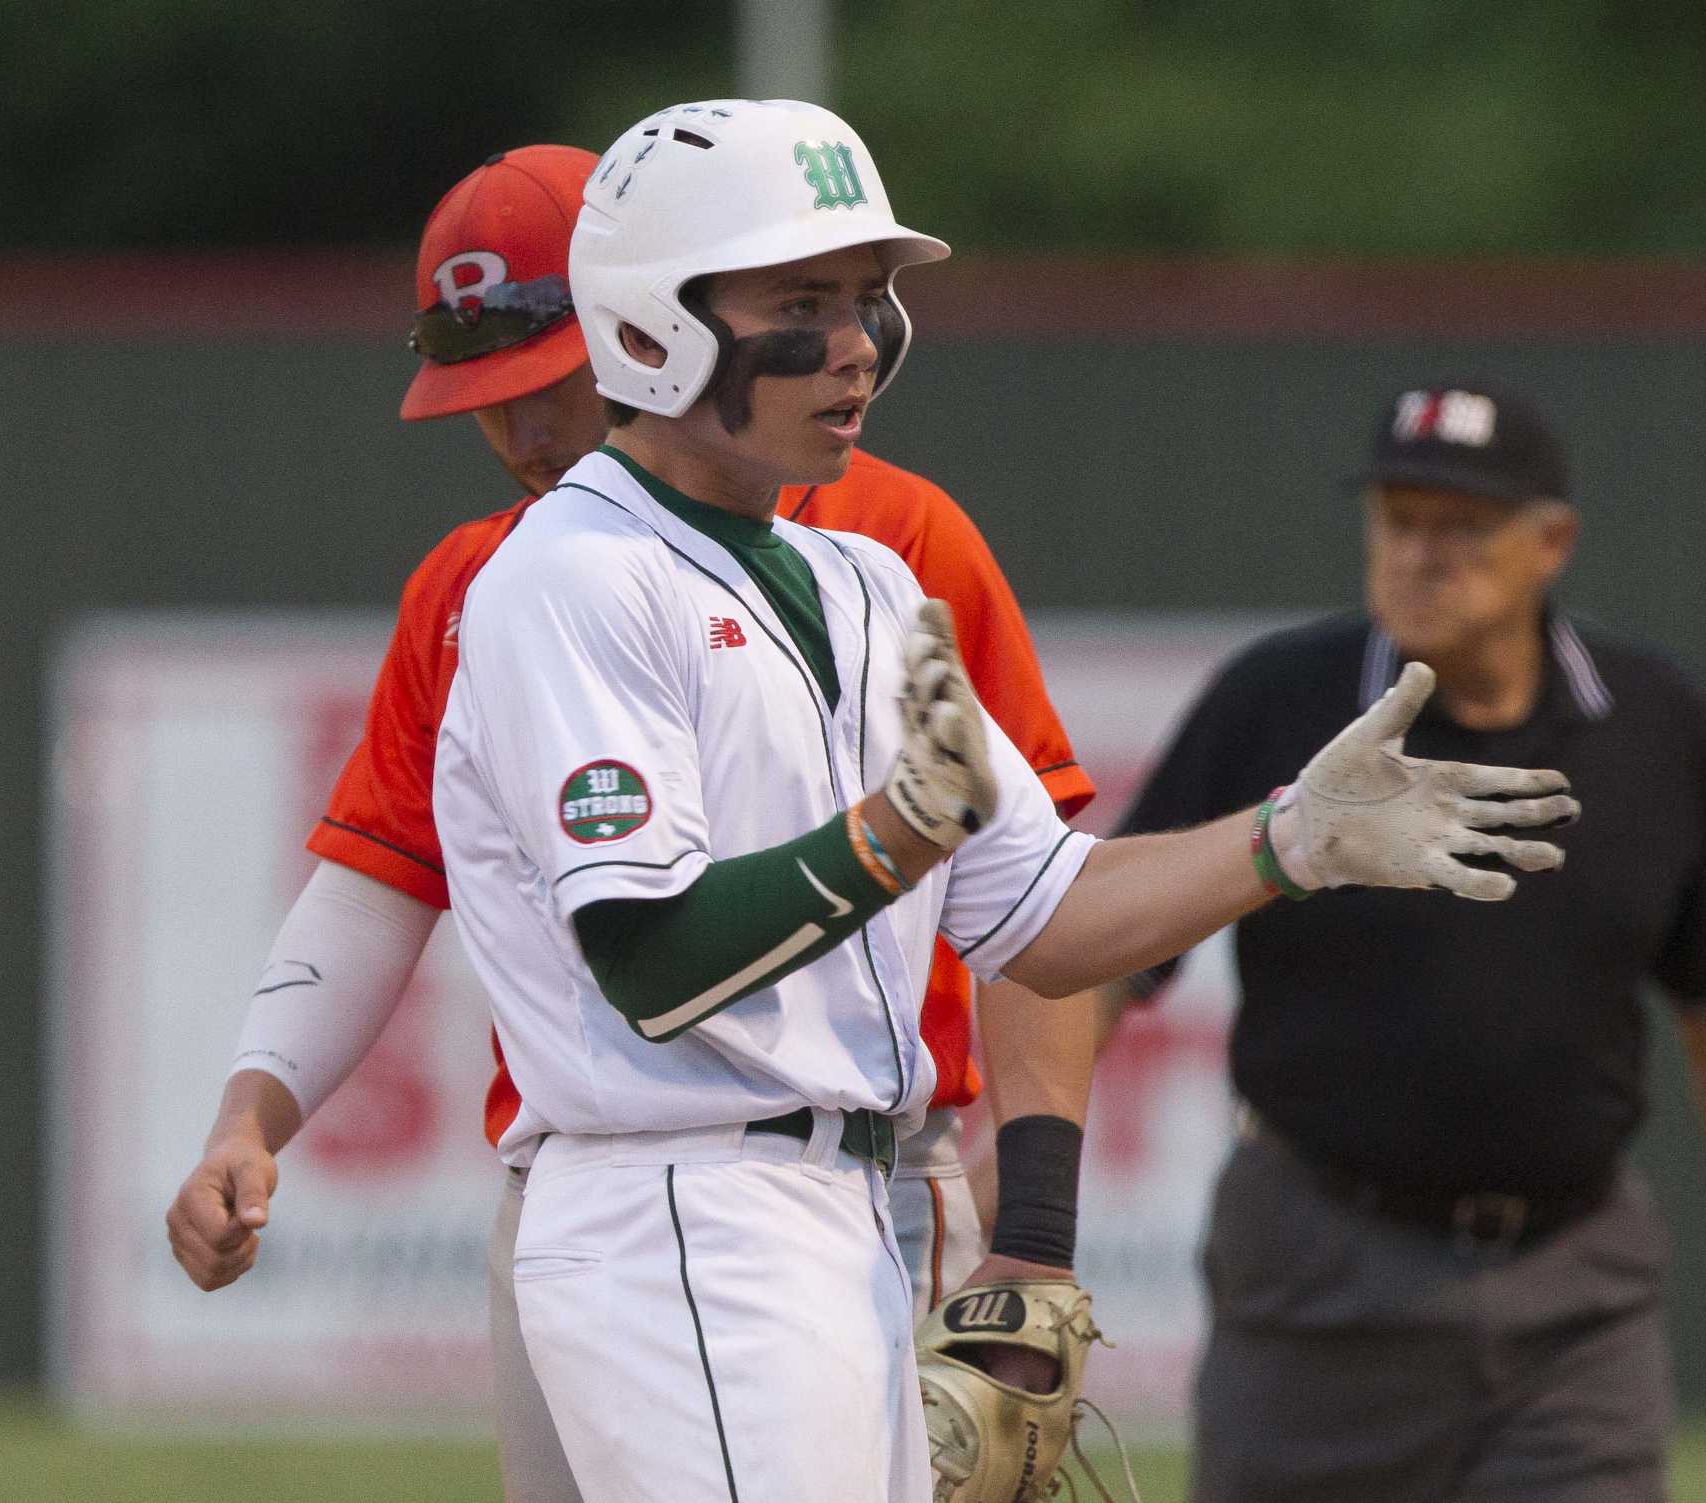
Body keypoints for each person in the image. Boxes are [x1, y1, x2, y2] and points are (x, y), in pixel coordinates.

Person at [437, 100, 1577, 1503]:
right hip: (677, 1206)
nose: (859, 343)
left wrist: (1290, 838)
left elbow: (1043, 915)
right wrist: (889, 837)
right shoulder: (574, 575)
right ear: (655, 322)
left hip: (842, 1211)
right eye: (804, 301)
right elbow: (652, 960)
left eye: (871, 298)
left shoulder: (860, 582)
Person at [162, 141, 1102, 1502]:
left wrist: (1044, 1229)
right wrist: (253, 1109)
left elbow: (1041, 901)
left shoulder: (896, 544)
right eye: (474, 400)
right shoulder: (490, 578)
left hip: (875, 1172)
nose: (514, 435)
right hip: (584, 1183)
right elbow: (380, 875)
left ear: (645, 325)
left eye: (538, 385)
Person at [1113, 380, 1706, 1503]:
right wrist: (1018, 1201)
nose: (1421, 553)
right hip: (1318, 1274)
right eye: (1398, 521)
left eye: (1461, 526)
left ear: (1550, 541)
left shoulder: (1651, 723)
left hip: (1574, 1290)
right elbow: (1106, 948)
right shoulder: (1278, 701)